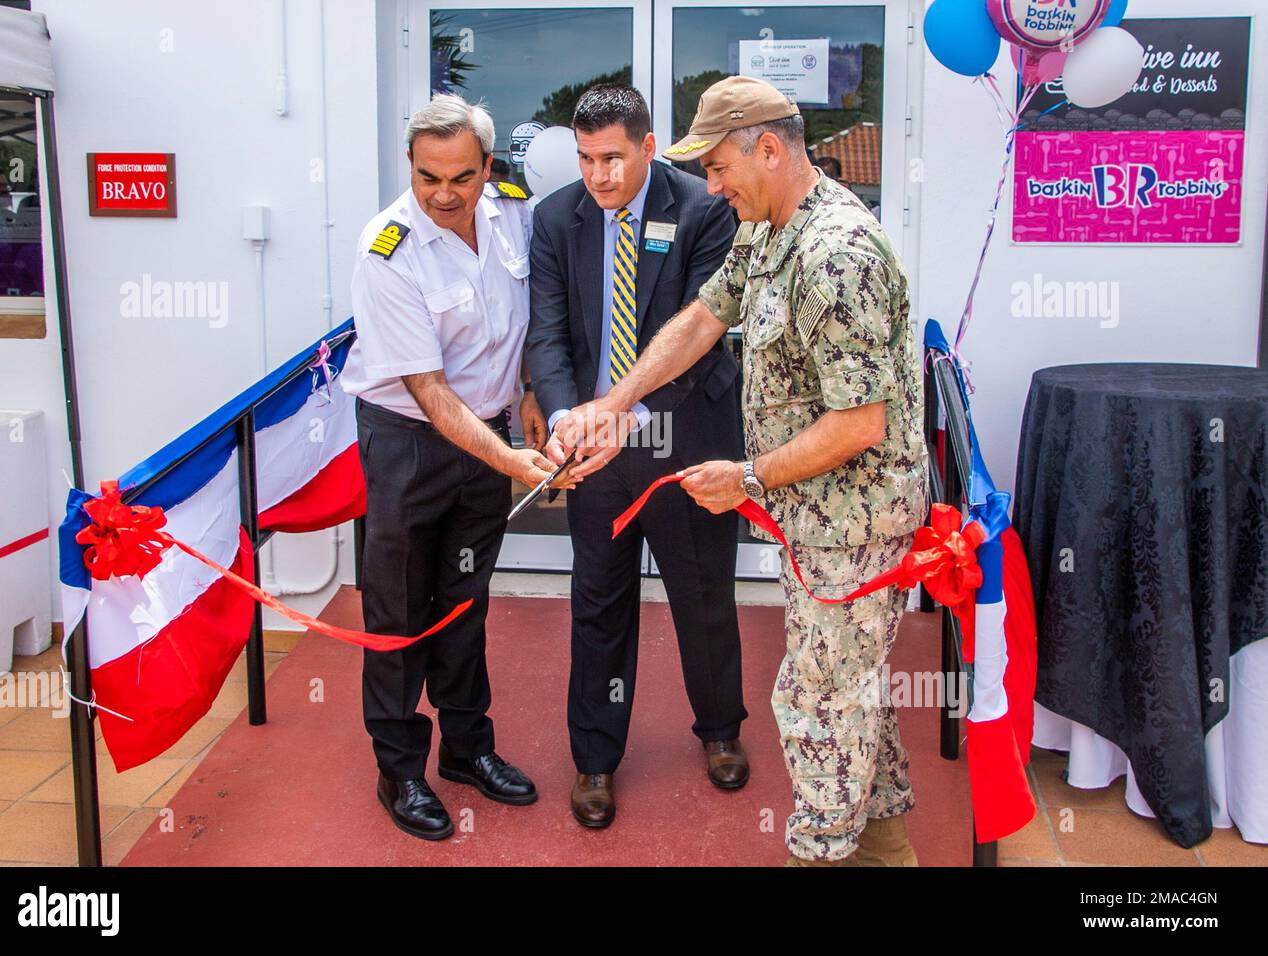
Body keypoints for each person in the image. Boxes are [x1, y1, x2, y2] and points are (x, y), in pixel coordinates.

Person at [556, 76, 928, 865]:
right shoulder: (766, 225)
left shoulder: (835, 252)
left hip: (850, 524)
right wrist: (617, 401)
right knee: (855, 695)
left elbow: (861, 423)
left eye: (721, 168)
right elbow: (701, 317)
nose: (711, 187)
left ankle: (822, 852)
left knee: (816, 705)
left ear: (769, 148)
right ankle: (887, 848)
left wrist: (748, 477)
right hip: (815, 518)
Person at [525, 83, 749, 829]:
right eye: (587, 159)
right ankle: (594, 758)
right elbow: (548, 334)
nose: (599, 176)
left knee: (703, 597)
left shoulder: (704, 209)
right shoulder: (557, 218)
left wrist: (633, 413)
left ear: (648, 147)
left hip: (684, 439)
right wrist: (565, 419)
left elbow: (705, 334)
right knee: (598, 603)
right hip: (595, 453)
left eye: (613, 158)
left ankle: (720, 731)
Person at [340, 93, 562, 842]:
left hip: (488, 434)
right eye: (428, 176)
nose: (443, 194)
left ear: (486, 168)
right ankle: (399, 768)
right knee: (400, 610)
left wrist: (528, 390)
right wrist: (510, 460)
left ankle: (468, 749)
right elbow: (429, 391)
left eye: (460, 177)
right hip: (410, 444)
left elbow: (524, 316)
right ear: (410, 165)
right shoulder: (388, 249)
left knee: (464, 600)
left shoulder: (510, 213)